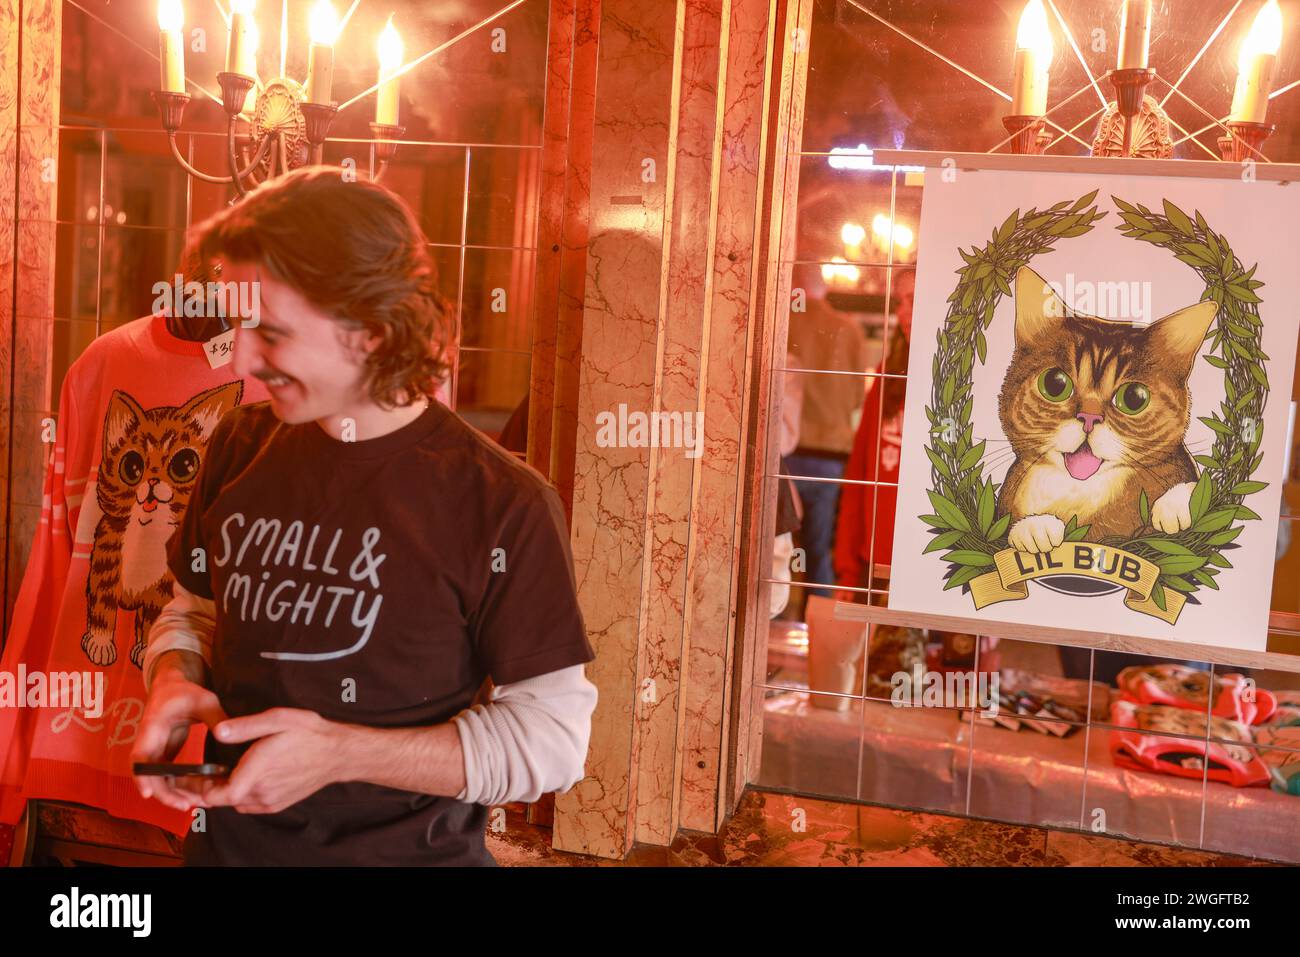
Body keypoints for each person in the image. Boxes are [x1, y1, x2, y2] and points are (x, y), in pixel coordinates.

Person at [131, 167, 598, 866]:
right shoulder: (236, 443)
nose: (245, 358)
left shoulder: (503, 503)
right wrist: (173, 676)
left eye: (271, 333)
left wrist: (340, 754)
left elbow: (552, 741)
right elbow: (192, 611)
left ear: (373, 332)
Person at [785, 266, 871, 598]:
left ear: (795, 288)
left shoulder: (786, 323)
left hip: (790, 455)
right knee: (818, 548)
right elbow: (854, 398)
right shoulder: (849, 329)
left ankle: (774, 621)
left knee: (777, 548)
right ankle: (815, 622)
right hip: (832, 456)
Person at [833, 267, 915, 602]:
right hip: (878, 565)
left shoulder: (966, 378)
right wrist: (848, 572)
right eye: (900, 301)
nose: (902, 312)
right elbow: (860, 474)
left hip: (938, 567)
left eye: (912, 300)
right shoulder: (888, 372)